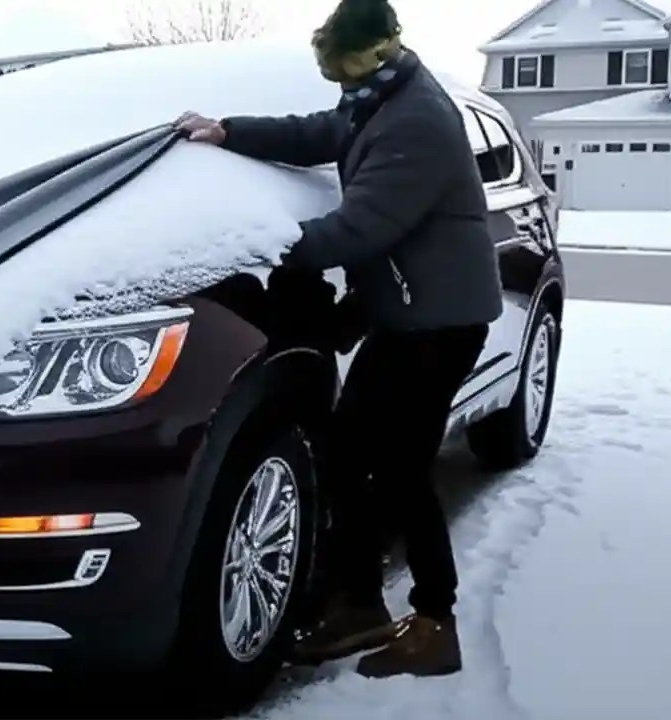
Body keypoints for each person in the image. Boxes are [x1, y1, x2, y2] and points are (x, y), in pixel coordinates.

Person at [176, 0, 503, 679]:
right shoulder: (379, 97)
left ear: (380, 52)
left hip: (437, 322)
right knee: (350, 449)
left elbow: (356, 231)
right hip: (406, 312)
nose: (339, 85)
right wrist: (228, 131)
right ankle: (359, 604)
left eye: (345, 70)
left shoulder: (416, 121)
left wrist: (249, 249)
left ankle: (435, 624)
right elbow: (318, 133)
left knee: (403, 466)